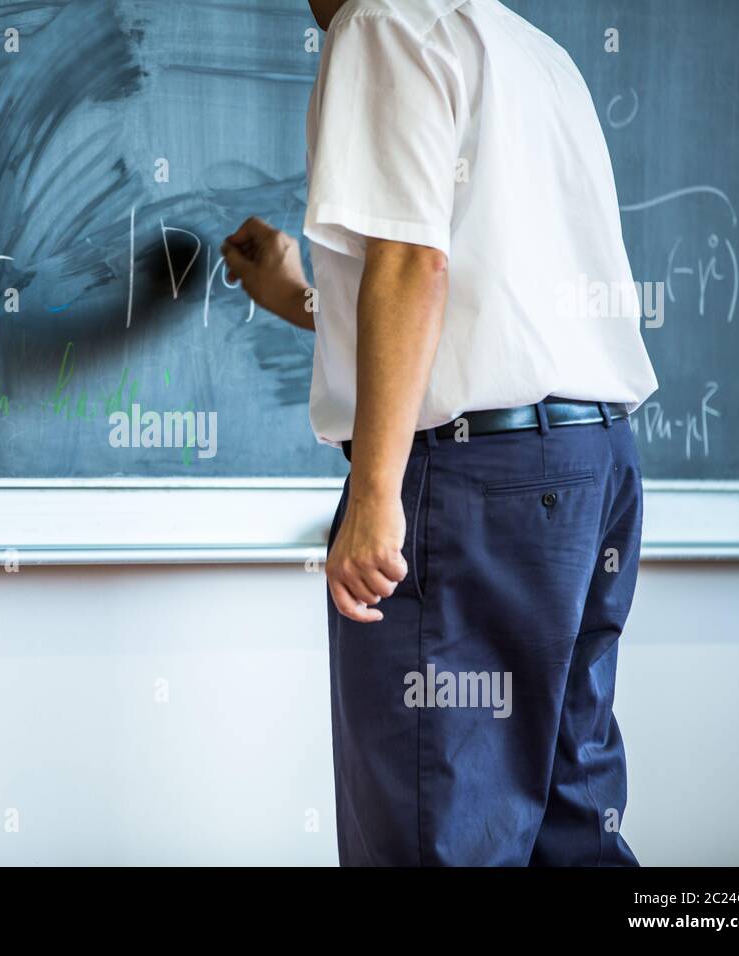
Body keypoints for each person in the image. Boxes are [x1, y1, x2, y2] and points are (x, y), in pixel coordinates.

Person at [221, 0, 658, 866]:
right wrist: (298, 299)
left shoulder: (380, 20)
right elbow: (478, 310)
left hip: (473, 484)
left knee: (436, 834)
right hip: (589, 467)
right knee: (572, 823)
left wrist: (376, 495)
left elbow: (414, 265)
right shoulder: (535, 53)